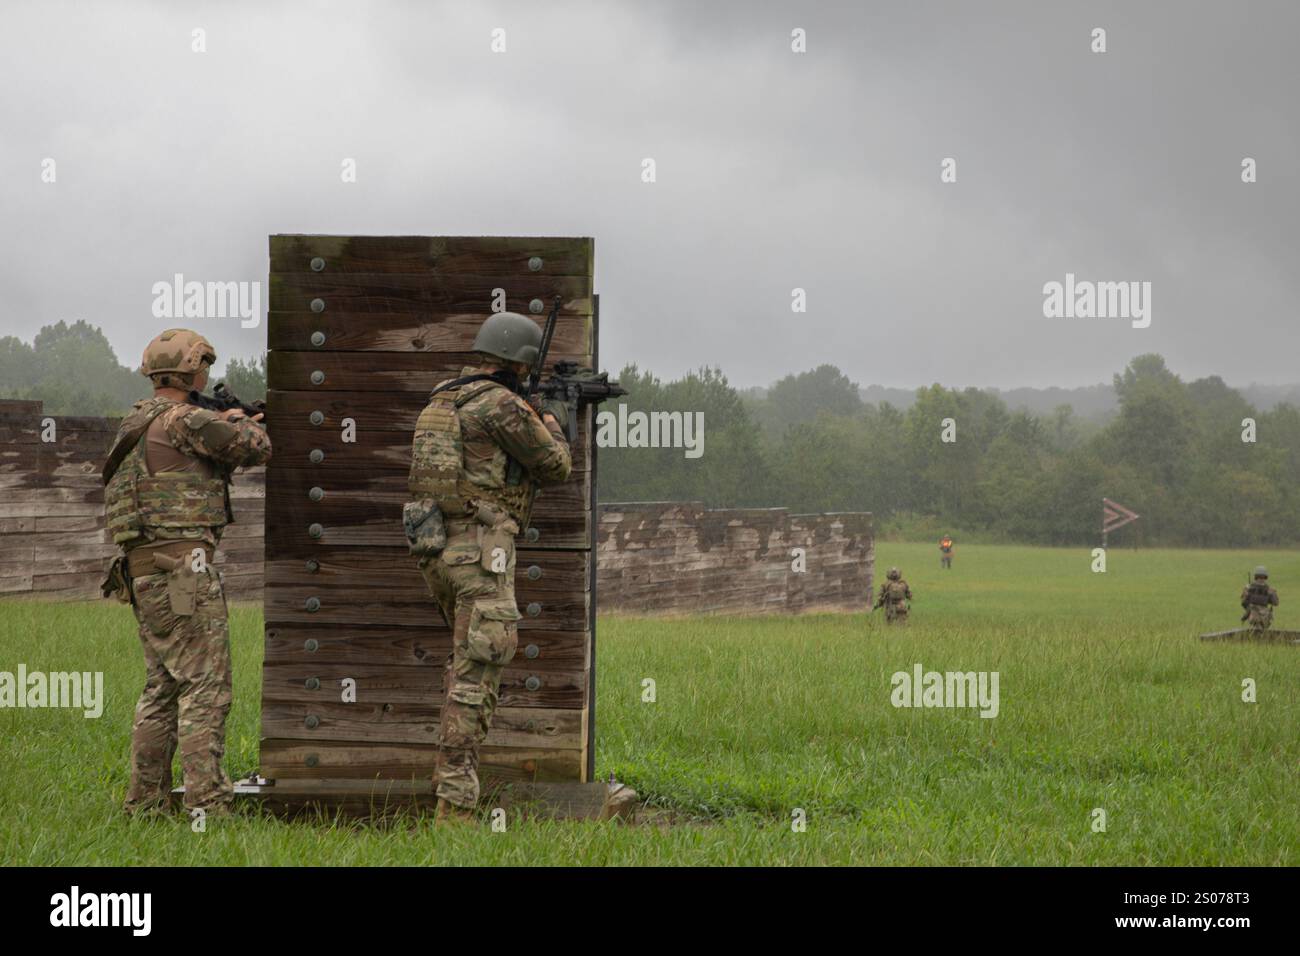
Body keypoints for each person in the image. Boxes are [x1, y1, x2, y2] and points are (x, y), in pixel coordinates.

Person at [406, 312, 572, 825]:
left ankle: (446, 786)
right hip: (481, 554)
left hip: (438, 551)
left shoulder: (444, 396)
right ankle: (454, 810)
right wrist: (552, 421)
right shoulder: (502, 404)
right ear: (520, 363)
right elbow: (556, 467)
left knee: (463, 670)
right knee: (475, 678)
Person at [100, 328, 271, 817]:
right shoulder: (187, 420)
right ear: (192, 370)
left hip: (144, 571)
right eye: (204, 368)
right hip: (184, 572)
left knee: (164, 688)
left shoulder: (135, 423)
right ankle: (207, 805)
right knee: (205, 687)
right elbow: (256, 448)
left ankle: (146, 805)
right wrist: (242, 421)